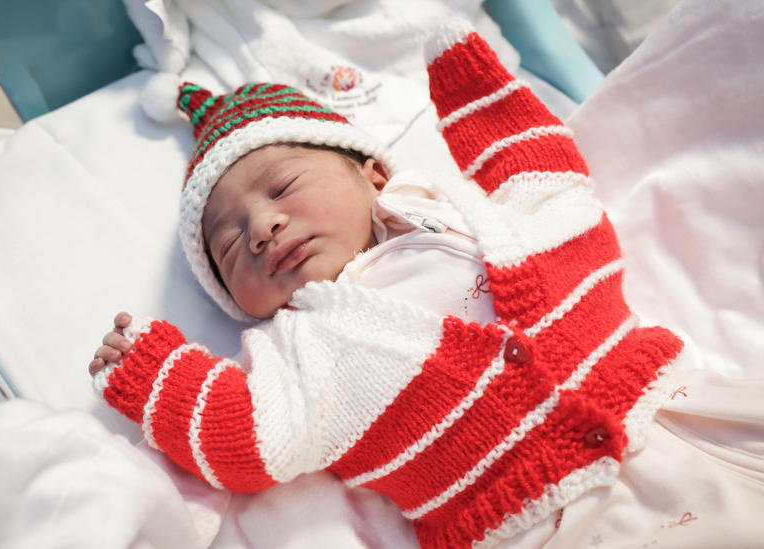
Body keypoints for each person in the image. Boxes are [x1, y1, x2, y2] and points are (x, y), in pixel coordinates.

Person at [87, 20, 707, 548]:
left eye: (283, 189)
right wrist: (155, 375)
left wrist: (493, 115)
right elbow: (245, 438)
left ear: (375, 175)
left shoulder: (461, 218)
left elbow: (554, 199)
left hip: (668, 415)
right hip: (529, 524)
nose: (262, 227)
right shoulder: (298, 352)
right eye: (226, 245)